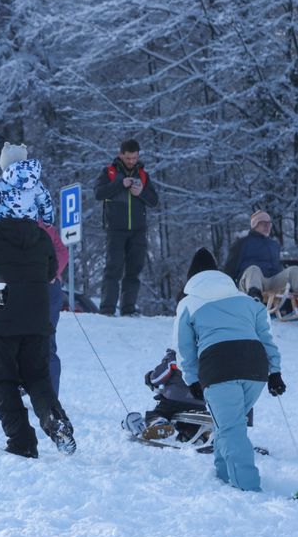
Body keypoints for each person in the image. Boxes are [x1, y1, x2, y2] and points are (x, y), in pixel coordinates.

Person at [0, 210, 76, 459]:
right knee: (38, 378)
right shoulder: (40, 235)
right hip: (37, 319)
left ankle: (21, 440)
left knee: (3, 382)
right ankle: (55, 418)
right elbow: (50, 272)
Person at [175, 248, 283, 492]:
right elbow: (266, 338)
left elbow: (184, 348)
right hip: (255, 368)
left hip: (219, 367)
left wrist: (191, 379)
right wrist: (275, 372)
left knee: (231, 427)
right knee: (228, 425)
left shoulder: (189, 303)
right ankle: (223, 476)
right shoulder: (247, 301)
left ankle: (248, 488)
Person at [94, 139, 159, 316]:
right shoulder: (110, 172)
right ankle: (107, 309)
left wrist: (141, 193)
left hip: (138, 230)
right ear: (121, 154)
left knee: (134, 270)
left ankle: (128, 309)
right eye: (128, 158)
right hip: (115, 229)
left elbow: (154, 200)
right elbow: (98, 193)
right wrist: (119, 184)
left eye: (134, 158)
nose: (131, 161)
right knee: (113, 268)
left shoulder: (143, 175)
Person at [0, 143, 54, 231]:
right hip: (29, 223)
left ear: (4, 164)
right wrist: (48, 221)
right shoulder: (36, 184)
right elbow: (45, 202)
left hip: (1, 220)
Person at [223, 210, 298, 300]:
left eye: (269, 223)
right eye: (263, 223)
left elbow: (278, 268)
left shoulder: (274, 245)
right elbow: (229, 269)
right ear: (255, 225)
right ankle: (255, 298)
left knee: (295, 270)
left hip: (271, 282)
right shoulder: (242, 243)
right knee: (254, 269)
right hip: (249, 283)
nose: (267, 226)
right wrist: (228, 292)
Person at [38, 221, 69, 396]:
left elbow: (62, 252)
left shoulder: (44, 226)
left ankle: (50, 395)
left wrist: (53, 272)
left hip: (48, 289)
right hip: (24, 289)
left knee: (46, 343)